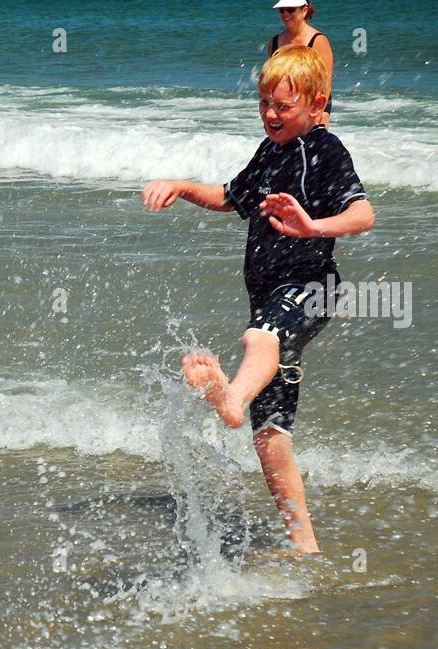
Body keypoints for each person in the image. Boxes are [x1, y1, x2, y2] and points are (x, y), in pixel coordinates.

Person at [142, 46, 373, 554]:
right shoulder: (270, 151)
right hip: (270, 296)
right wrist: (181, 186)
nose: (271, 113)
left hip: (313, 288)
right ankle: (305, 545)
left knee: (259, 335)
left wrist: (314, 226)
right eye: (265, 102)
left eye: (283, 106)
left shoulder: (326, 149)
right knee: (270, 435)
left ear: (317, 104)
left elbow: (362, 214)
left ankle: (231, 397)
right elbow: (231, 197)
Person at [268, 0, 333, 126]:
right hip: (285, 105)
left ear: (304, 11)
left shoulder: (318, 40)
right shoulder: (275, 42)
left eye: (291, 9)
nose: (285, 13)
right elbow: (272, 79)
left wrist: (318, 113)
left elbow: (326, 82)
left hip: (314, 104)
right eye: (282, 10)